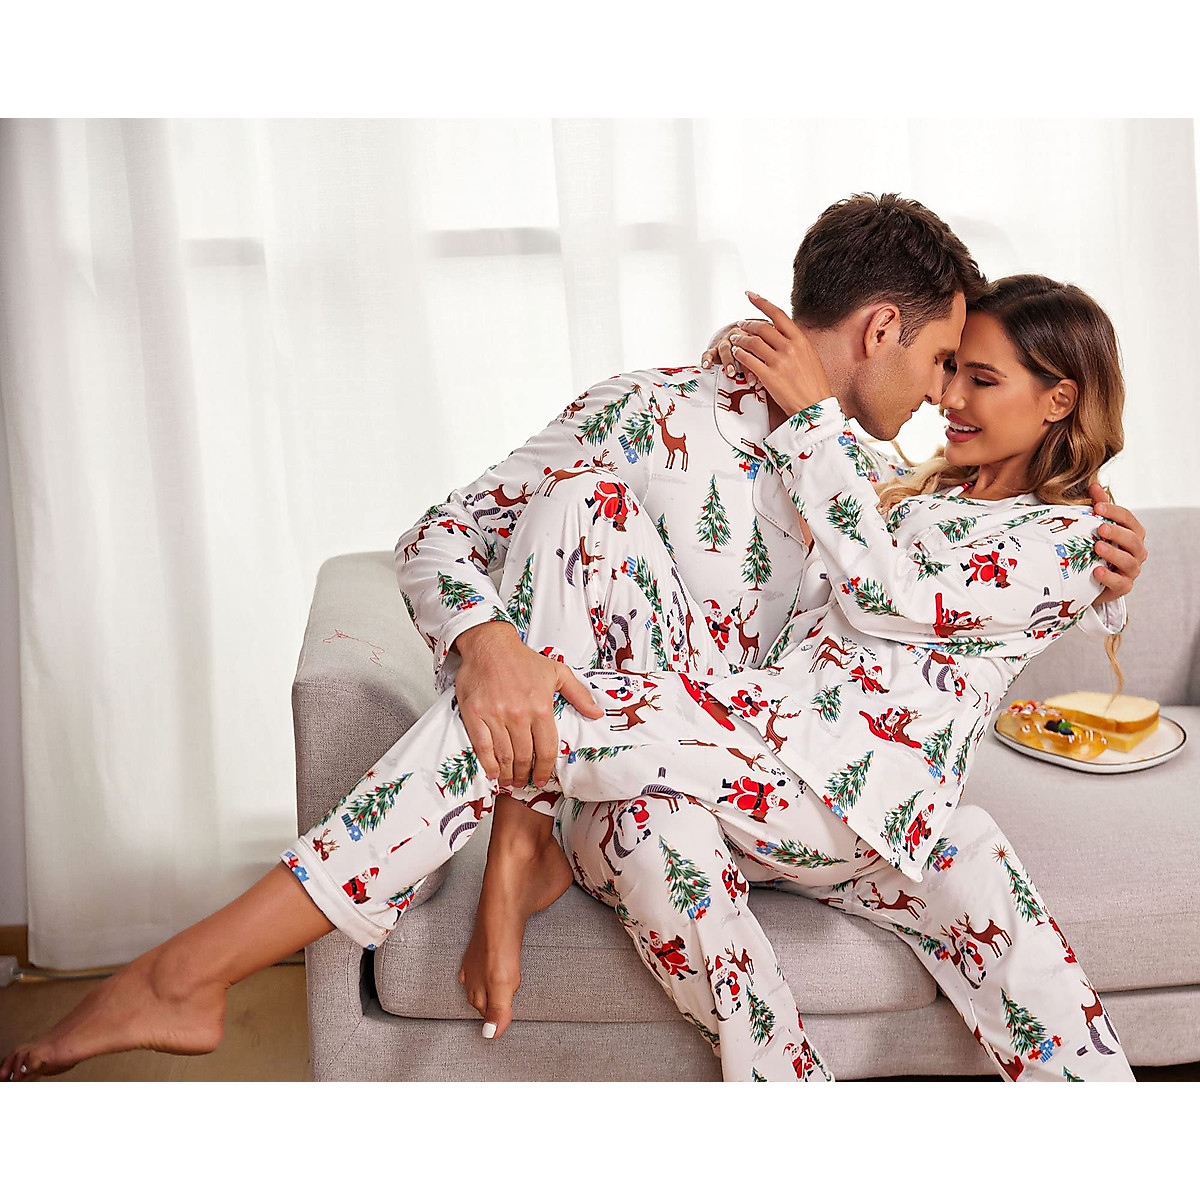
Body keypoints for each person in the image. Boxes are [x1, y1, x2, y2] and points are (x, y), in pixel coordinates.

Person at [0, 195, 1146, 1082]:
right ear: (883, 328)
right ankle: (522, 836)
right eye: (946, 362)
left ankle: (201, 964)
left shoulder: (869, 477)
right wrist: (487, 641)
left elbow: (945, 592)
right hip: (679, 776)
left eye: (975, 377)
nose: (947, 396)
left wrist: (1104, 581)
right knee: (574, 514)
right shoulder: (670, 415)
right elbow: (442, 536)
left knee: (546, 727)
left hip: (803, 772)